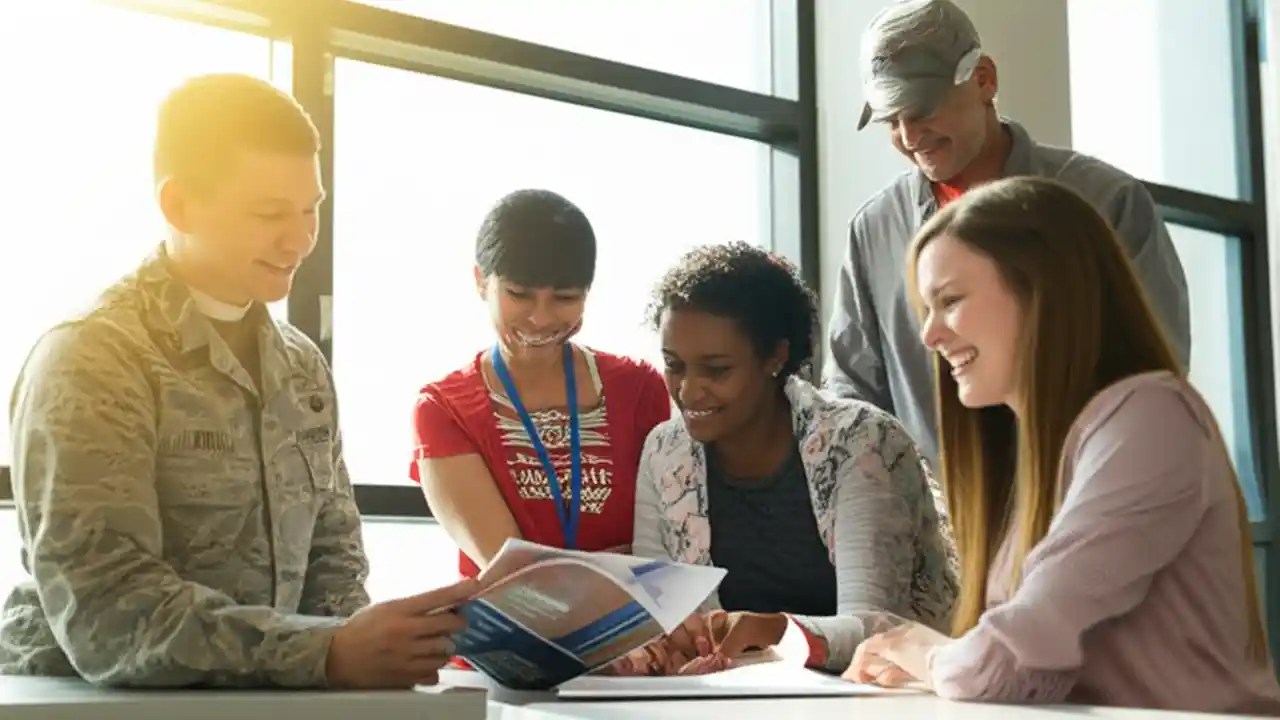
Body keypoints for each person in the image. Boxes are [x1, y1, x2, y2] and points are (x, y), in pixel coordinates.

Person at [0, 73, 474, 689]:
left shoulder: (301, 365)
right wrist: (323, 652)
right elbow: (108, 608)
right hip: (92, 701)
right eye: (270, 213)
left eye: (312, 209)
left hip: (271, 697)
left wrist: (382, 646)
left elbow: (335, 564)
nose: (301, 237)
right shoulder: (92, 357)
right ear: (179, 206)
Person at [844, 177, 1280, 715]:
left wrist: (924, 651)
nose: (929, 336)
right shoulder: (1037, 454)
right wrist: (945, 662)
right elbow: (1014, 666)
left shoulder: (1151, 418)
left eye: (950, 300)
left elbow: (1000, 660)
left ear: (1043, 292)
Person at [825, 0, 1190, 469]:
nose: (909, 135)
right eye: (891, 120)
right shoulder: (873, 231)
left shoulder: (1105, 201)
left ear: (984, 79)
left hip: (1086, 506)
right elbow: (853, 397)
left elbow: (1153, 372)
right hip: (936, 533)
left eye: (921, 108)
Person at [615, 242, 957, 676]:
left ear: (775, 357)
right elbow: (661, 613)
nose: (688, 391)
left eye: (717, 370)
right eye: (674, 365)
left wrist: (774, 630)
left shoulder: (861, 442)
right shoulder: (665, 452)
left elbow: (878, 631)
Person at [410, 189, 671, 578]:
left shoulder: (638, 388)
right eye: (519, 294)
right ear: (481, 281)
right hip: (509, 634)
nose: (541, 319)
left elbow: (664, 547)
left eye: (565, 298)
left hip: (633, 631)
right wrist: (617, 562)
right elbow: (516, 576)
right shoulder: (445, 408)